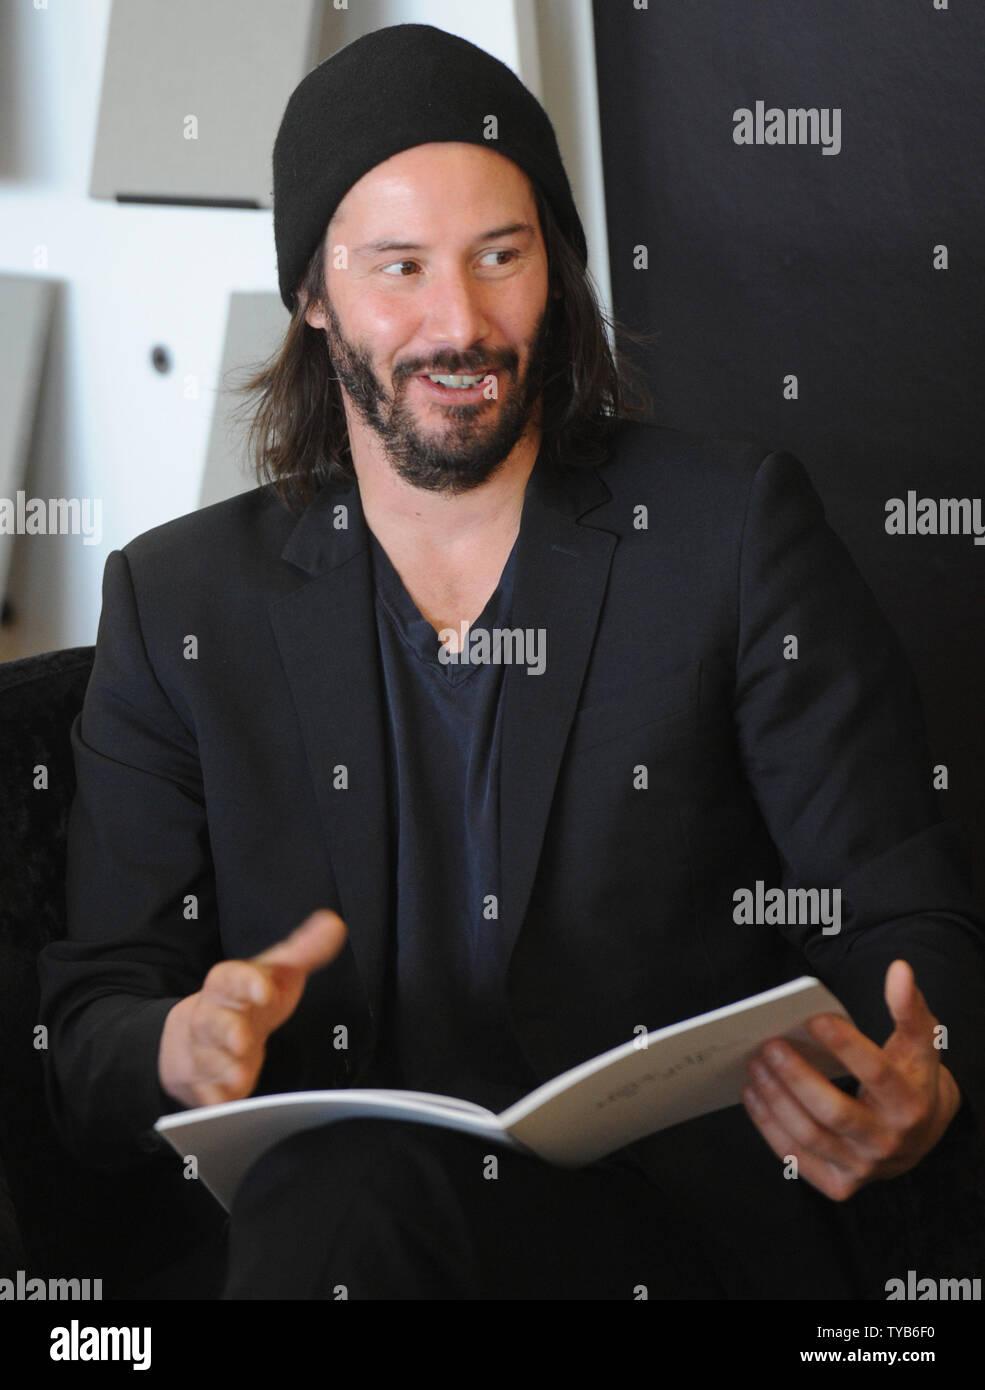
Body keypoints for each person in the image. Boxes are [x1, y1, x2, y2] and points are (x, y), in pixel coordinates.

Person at [38, 24, 985, 1300]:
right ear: (314, 294)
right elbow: (89, 1023)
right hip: (326, 1235)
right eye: (400, 269)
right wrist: (181, 1045)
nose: (461, 323)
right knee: (344, 1191)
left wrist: (911, 1077)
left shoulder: (729, 533)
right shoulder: (177, 598)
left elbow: (906, 909)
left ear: (559, 267)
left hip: (668, 1228)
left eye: (502, 256)